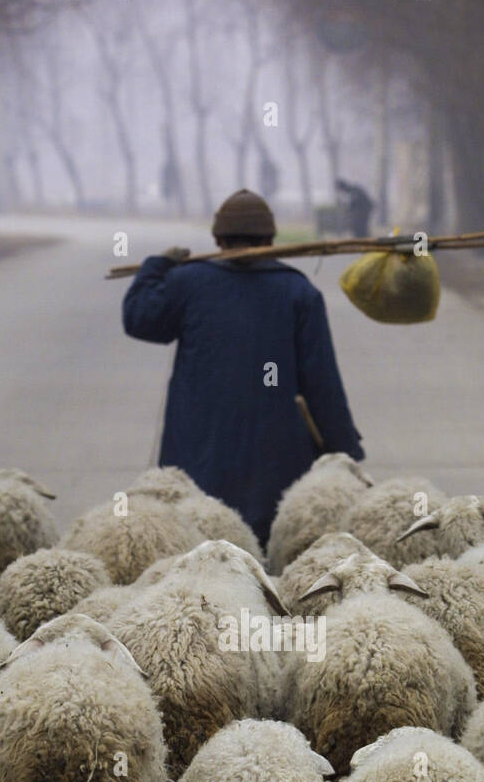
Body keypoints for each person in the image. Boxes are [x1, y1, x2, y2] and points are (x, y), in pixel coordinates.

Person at [121, 188, 364, 546]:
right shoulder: (298, 292)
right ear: (270, 238)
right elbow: (322, 383)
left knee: (198, 550)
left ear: (217, 239)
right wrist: (345, 452)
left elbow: (139, 318)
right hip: (278, 466)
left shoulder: (187, 283)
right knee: (272, 554)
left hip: (198, 458)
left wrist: (156, 268)